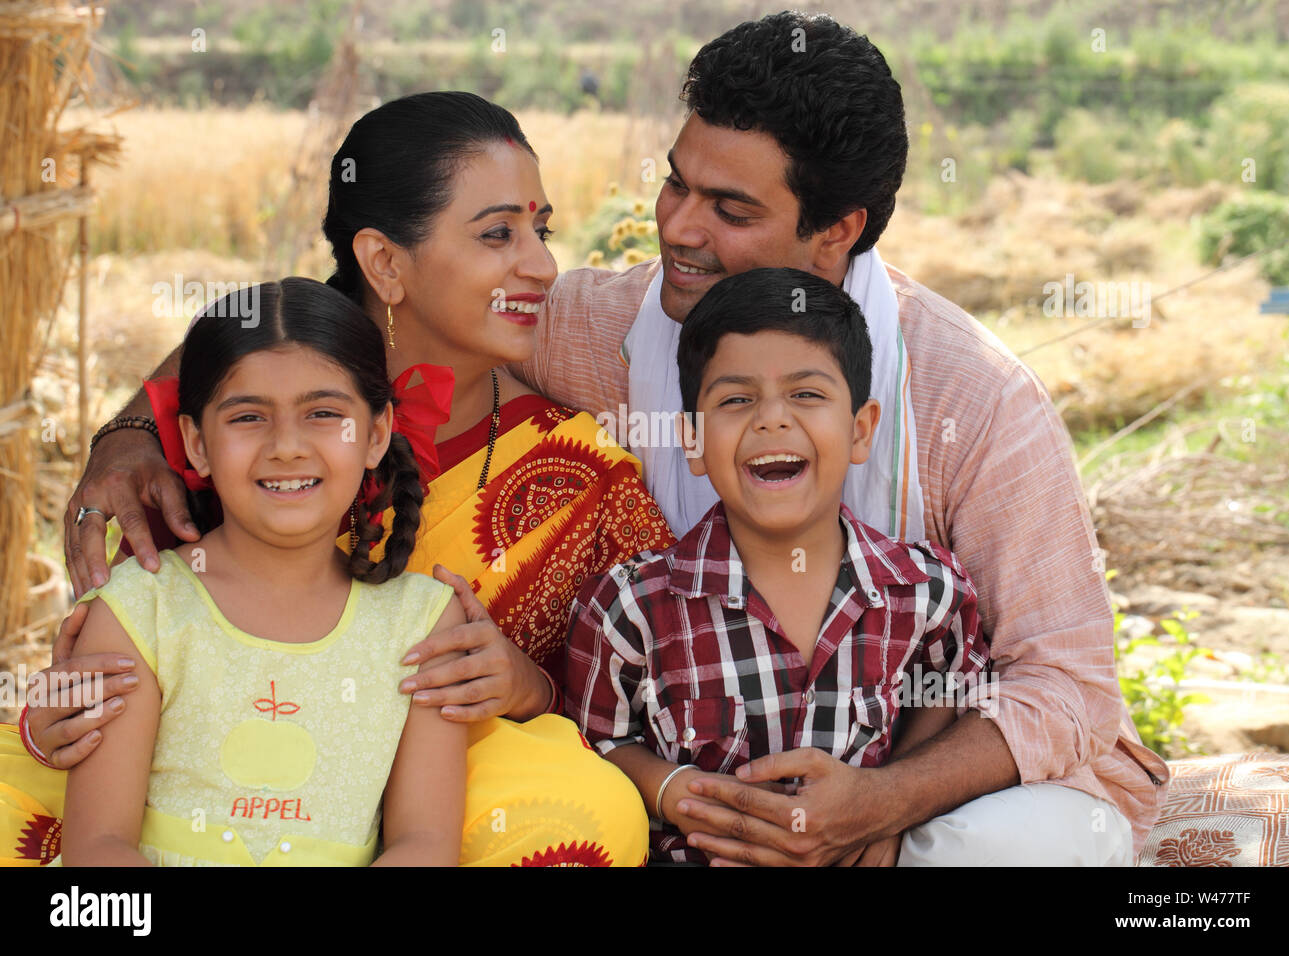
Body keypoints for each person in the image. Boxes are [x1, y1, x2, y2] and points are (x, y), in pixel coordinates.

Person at [531, 12, 1169, 865]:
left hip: (912, 811)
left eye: (731, 208)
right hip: (685, 809)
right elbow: (415, 326)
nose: (679, 228)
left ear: (838, 229)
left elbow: (1069, 683)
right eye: (677, 184)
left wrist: (884, 806)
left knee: (1044, 844)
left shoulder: (972, 397)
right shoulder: (590, 330)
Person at [9, 92, 669, 867]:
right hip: (190, 783)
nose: (542, 264)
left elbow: (651, 702)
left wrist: (529, 688)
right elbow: (145, 643)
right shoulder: (228, 419)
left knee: (580, 817)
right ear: (384, 261)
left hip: (451, 788)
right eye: (498, 234)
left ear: (379, 434)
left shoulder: (581, 473)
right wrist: (61, 707)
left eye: (541, 230)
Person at [567, 268, 992, 865]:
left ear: (860, 430)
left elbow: (951, 694)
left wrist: (891, 802)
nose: (771, 419)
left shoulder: (926, 593)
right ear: (691, 440)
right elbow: (595, 744)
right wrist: (666, 788)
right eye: (736, 399)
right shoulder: (629, 607)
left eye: (807, 394)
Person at [60, 277, 467, 865]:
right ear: (196, 443)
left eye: (323, 413)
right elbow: (98, 848)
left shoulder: (422, 623)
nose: (286, 446)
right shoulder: (140, 609)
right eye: (248, 417)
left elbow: (423, 844)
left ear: (376, 434)